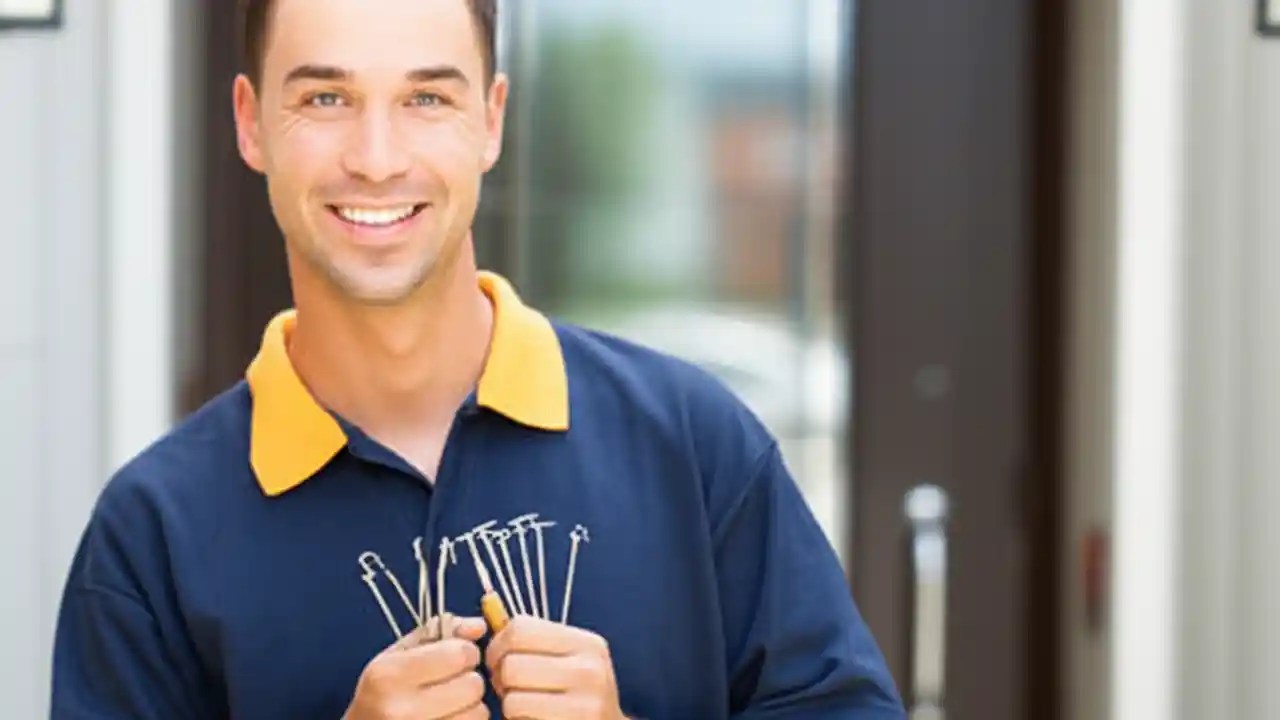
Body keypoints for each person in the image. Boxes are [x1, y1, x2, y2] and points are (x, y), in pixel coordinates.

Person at [50, 0, 904, 717]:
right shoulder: (149, 536)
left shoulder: (695, 445)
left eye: (426, 99)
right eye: (324, 100)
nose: (377, 159)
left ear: (491, 121)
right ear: (250, 124)